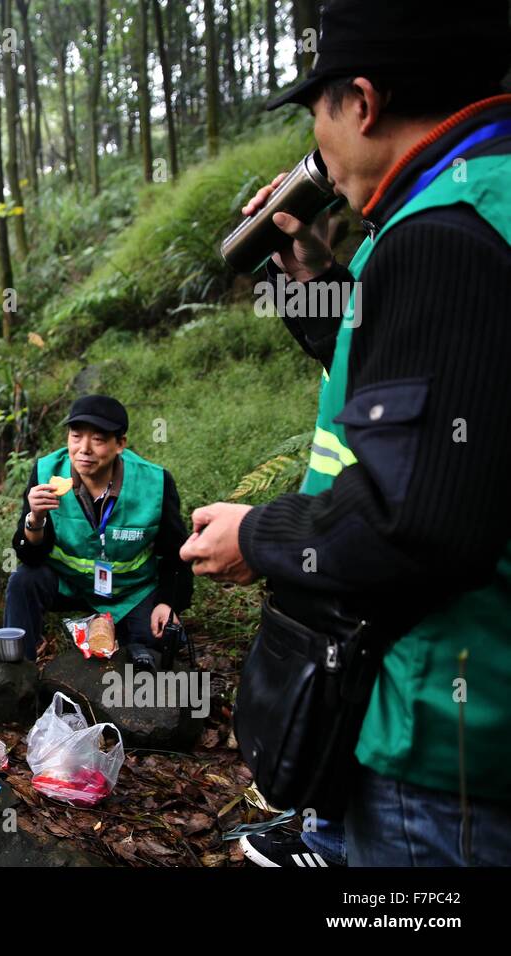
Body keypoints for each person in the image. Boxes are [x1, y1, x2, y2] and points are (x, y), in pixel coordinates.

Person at [183, 0, 511, 866]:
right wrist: (311, 280)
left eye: (315, 112)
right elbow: (436, 407)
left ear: (360, 102)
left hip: (441, 741)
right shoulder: (477, 202)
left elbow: (414, 517)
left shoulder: (441, 237)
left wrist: (259, 534)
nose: (317, 146)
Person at [5, 395, 192, 670]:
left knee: (152, 649)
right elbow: (29, 556)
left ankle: (128, 633)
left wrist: (168, 602)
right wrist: (35, 518)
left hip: (131, 590)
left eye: (99, 440)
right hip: (71, 585)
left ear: (120, 444)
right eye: (76, 436)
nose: (84, 449)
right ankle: (16, 673)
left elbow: (177, 554)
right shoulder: (46, 472)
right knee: (23, 581)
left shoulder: (154, 483)